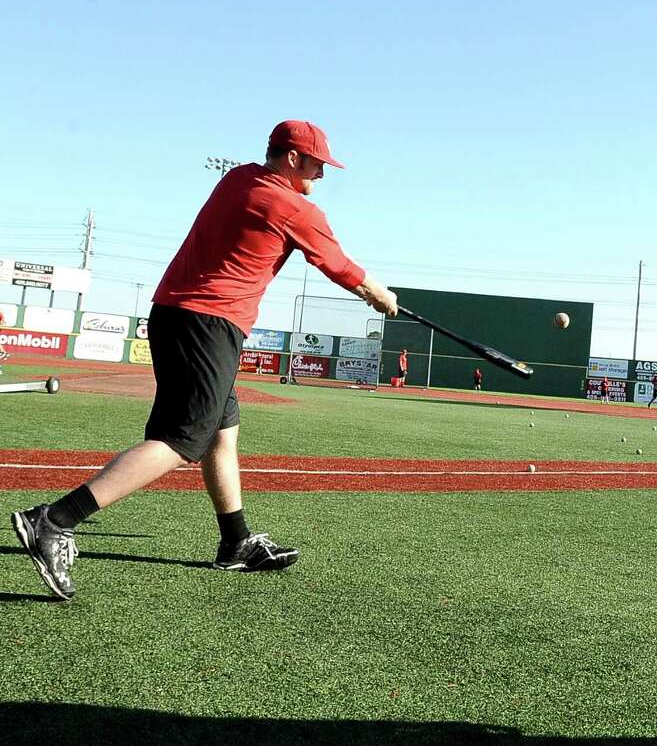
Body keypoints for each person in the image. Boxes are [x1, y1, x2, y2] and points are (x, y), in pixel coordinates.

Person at [11, 120, 399, 600]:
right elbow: (337, 264)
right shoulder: (291, 204)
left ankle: (235, 542)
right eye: (318, 164)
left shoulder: (237, 178)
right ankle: (55, 520)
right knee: (181, 441)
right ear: (294, 158)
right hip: (209, 322)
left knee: (222, 427)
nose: (322, 175)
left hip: (175, 313)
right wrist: (377, 294)